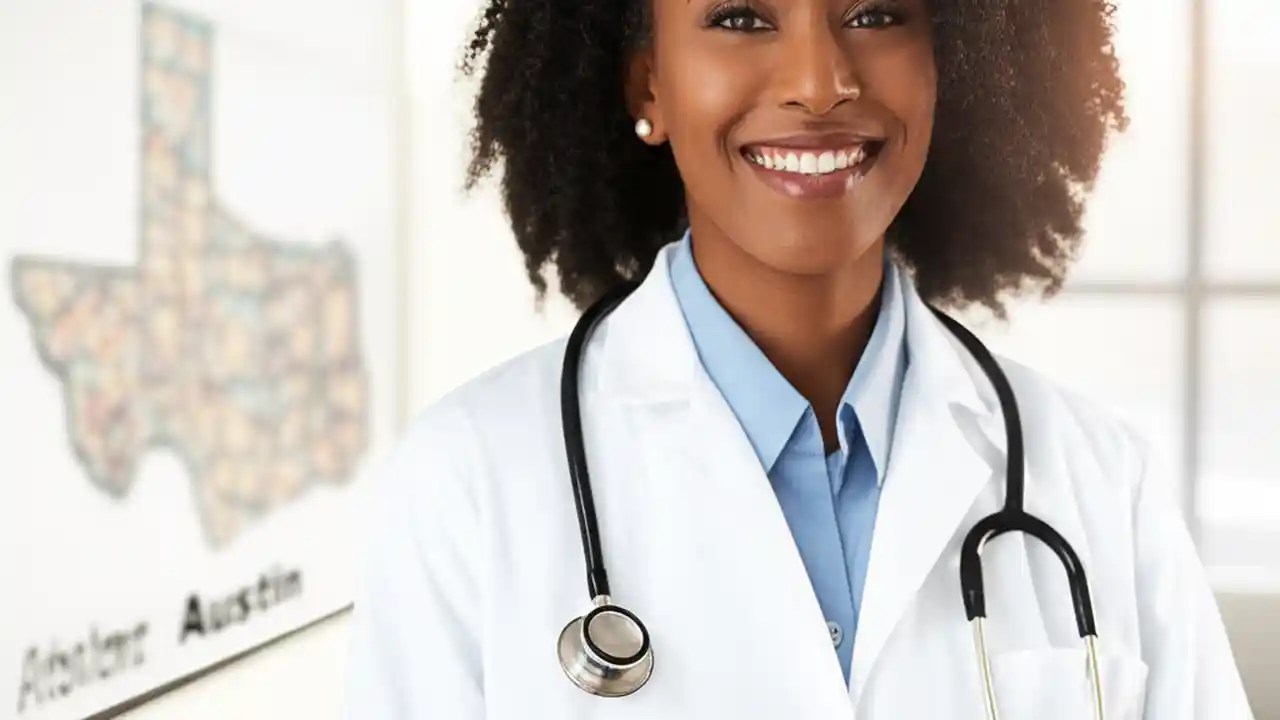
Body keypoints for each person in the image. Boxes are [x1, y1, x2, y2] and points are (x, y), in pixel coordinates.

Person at [346, 0, 1253, 717]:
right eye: (741, 17)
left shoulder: (1098, 481)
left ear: (952, 61)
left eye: (876, 14)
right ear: (647, 86)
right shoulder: (464, 485)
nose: (820, 82)